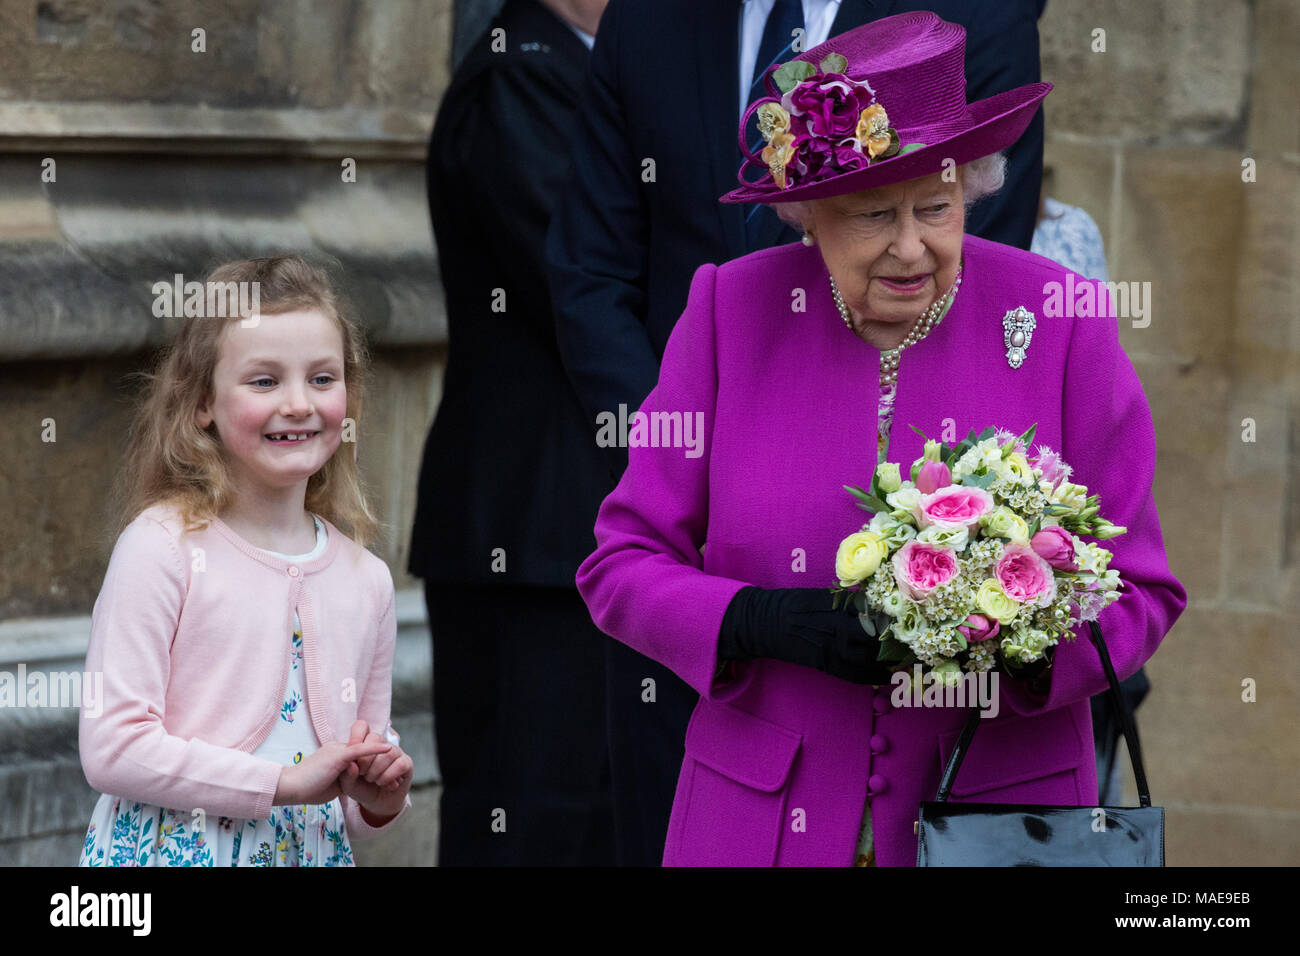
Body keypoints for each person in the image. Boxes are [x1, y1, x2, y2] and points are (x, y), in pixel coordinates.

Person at [575, 13, 1187, 866]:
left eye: (935, 208)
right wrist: (756, 620)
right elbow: (620, 565)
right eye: (872, 216)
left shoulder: (1058, 319)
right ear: (808, 216)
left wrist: (1019, 646)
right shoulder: (730, 311)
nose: (911, 247)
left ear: (971, 189)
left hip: (998, 821)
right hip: (765, 819)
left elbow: (1144, 590)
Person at [78, 255, 413, 866]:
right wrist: (281, 784)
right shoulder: (162, 546)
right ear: (202, 402)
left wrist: (380, 794)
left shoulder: (368, 581)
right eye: (264, 381)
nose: (297, 404)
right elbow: (112, 746)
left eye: (322, 378)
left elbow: (354, 796)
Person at [408, 0, 617, 866]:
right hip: (533, 525)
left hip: (574, 523)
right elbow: (585, 283)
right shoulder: (522, 70)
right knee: (529, 818)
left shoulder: (582, 69)